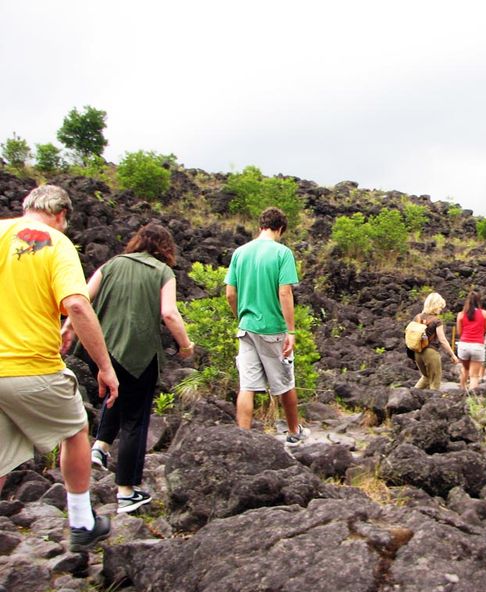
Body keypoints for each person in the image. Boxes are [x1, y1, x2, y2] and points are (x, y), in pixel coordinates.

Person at [0, 184, 119, 552]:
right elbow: (78, 306)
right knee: (76, 429)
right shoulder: (56, 243)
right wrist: (104, 366)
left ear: (25, 207)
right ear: (61, 215)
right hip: (29, 365)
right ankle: (82, 522)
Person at [64, 223, 194, 514]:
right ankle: (126, 491)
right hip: (141, 353)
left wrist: (68, 328)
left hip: (105, 351)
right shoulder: (162, 272)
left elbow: (81, 298)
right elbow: (169, 313)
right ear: (165, 248)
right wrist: (185, 345)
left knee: (114, 396)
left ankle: (100, 448)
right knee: (135, 420)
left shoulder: (112, 264)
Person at [225, 207, 305, 446]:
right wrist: (290, 330)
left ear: (261, 226)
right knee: (284, 383)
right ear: (280, 229)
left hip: (246, 327)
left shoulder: (240, 253)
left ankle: (244, 439)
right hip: (273, 329)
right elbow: (285, 291)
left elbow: (230, 293)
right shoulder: (282, 253)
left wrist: (240, 316)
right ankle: (293, 433)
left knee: (247, 386)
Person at [411, 292, 459, 390]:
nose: (441, 310)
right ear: (435, 306)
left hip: (417, 353)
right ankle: (433, 402)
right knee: (435, 382)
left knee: (426, 377)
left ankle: (411, 394)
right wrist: (452, 355)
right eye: (440, 307)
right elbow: (442, 340)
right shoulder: (437, 321)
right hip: (430, 353)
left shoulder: (417, 317)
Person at [456, 291, 486, 391]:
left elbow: (459, 332)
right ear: (478, 301)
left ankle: (461, 392)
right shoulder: (484, 313)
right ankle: (472, 399)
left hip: (464, 345)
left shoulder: (461, 315)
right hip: (478, 345)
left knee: (465, 369)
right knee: (474, 376)